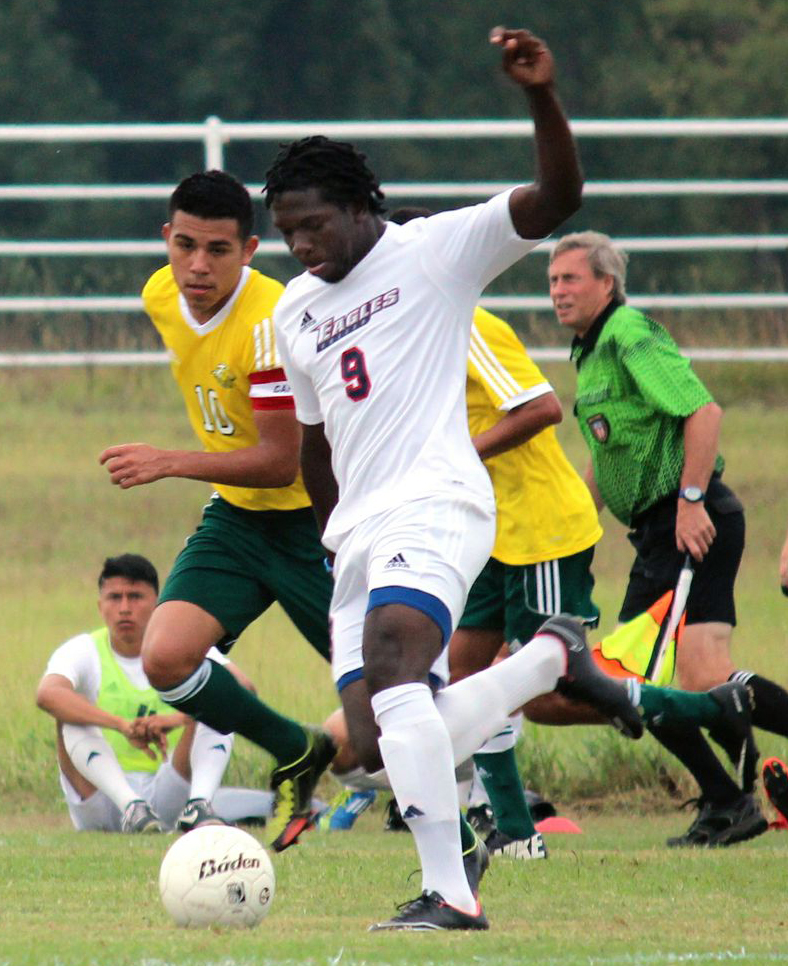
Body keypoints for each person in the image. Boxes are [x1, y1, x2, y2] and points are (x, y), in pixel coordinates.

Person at [265, 27, 642, 932]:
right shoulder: (295, 309)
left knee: (398, 668)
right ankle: (550, 659)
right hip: (357, 532)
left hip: (437, 502)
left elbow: (556, 198)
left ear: (359, 206)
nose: (301, 245)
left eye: (313, 225)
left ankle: (452, 893)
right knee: (376, 744)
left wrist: (540, 96)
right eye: (285, 233)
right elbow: (315, 444)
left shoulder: (433, 250)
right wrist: (329, 538)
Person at [318, 264, 760, 854]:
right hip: (484, 531)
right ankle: (516, 832)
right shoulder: (394, 342)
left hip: (540, 533)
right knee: (465, 676)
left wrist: (453, 455)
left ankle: (707, 709)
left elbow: (542, 409)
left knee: (547, 693)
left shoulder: (466, 326)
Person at [98, 171, 336, 851]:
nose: (197, 265)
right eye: (185, 245)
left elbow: (280, 460)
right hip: (237, 517)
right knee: (165, 657)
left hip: (316, 523)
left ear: (250, 250)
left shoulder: (270, 323)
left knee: (386, 695)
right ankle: (296, 749)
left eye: (218, 250)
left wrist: (168, 460)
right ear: (166, 240)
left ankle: (479, 815)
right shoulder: (160, 294)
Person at [548, 228, 788, 843]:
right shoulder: (590, 353)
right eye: (552, 281)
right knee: (706, 677)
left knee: (632, 680)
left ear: (607, 283)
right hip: (667, 530)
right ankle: (731, 802)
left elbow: (703, 411)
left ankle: (727, 802)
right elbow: (611, 457)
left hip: (687, 523)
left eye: (571, 278)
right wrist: (566, 522)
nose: (558, 291)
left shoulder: (629, 333)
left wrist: (690, 500)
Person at [36, 553, 272, 833]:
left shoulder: (182, 647)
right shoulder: (84, 650)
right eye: (115, 598)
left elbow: (245, 689)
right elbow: (47, 695)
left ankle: (199, 805)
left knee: (222, 708)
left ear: (159, 604)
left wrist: (177, 720)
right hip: (102, 798)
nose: (125, 608)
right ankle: (132, 807)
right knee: (69, 716)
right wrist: (121, 726)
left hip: (169, 791)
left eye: (135, 597)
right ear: (101, 606)